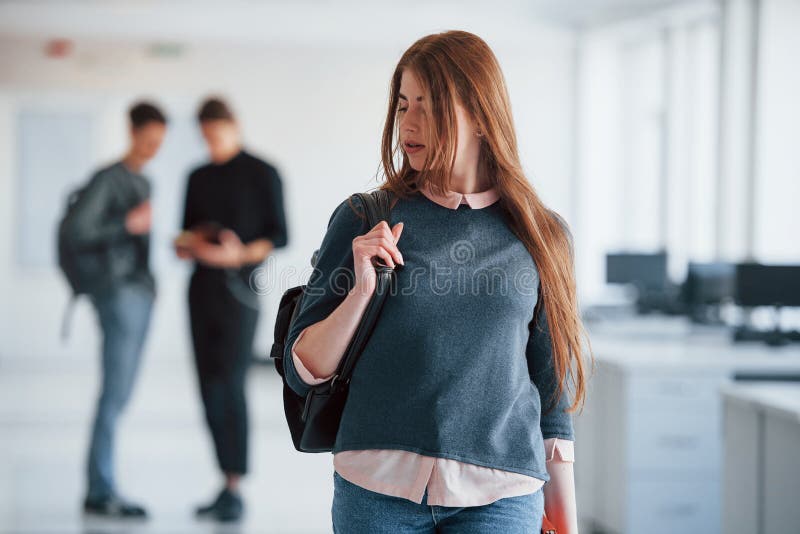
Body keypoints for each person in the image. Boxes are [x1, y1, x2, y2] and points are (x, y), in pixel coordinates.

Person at [284, 30, 592, 533]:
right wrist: (362, 290)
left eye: (428, 106)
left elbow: (551, 392)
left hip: (503, 494)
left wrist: (566, 521)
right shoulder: (365, 217)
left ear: (479, 112)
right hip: (376, 491)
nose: (409, 123)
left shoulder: (542, 234)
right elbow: (305, 371)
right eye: (403, 105)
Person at [175, 97, 288, 522]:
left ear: (234, 126)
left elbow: (278, 235)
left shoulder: (263, 172)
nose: (212, 143)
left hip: (240, 294)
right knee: (207, 387)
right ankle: (223, 479)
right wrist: (191, 245)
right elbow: (184, 234)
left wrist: (238, 255)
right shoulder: (197, 176)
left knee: (231, 384)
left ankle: (236, 483)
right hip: (200, 291)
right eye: (205, 137)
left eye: (217, 134)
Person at [62, 101, 167, 518]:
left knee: (118, 395)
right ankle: (100, 489)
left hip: (136, 293)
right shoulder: (110, 179)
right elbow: (76, 231)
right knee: (114, 394)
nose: (153, 148)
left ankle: (100, 486)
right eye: (147, 140)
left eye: (159, 142)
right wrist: (128, 225)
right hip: (118, 295)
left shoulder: (143, 181)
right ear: (132, 132)